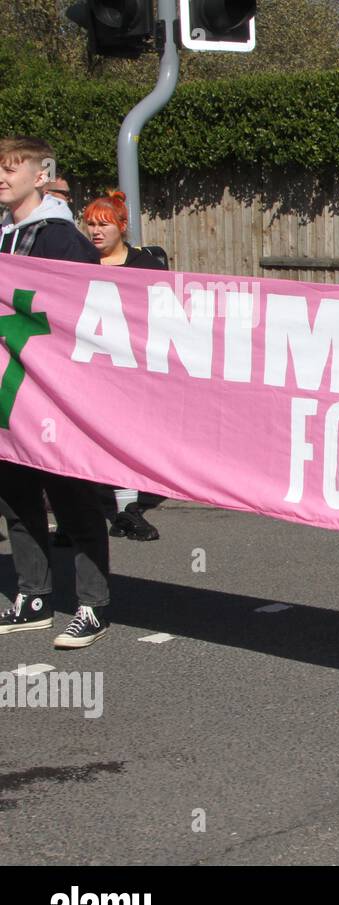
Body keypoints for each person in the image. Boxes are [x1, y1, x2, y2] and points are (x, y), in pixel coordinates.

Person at [0, 137, 111, 648]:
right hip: (12, 388)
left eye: (10, 169)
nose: (1, 178)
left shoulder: (61, 238)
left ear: (41, 176)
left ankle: (92, 604)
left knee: (72, 493)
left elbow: (89, 308)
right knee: (15, 493)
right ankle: (34, 596)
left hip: (57, 390)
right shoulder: (5, 233)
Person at [79, 190, 166, 542]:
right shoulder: (75, 262)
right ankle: (78, 515)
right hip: (87, 364)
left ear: (122, 226)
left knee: (127, 434)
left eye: (104, 224)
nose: (96, 231)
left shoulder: (145, 266)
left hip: (130, 365)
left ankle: (127, 511)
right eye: (90, 224)